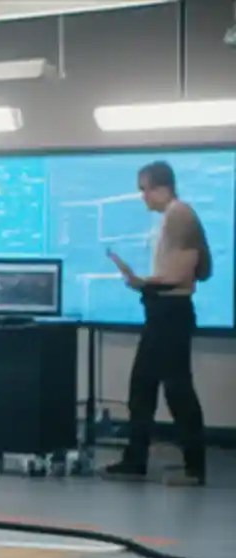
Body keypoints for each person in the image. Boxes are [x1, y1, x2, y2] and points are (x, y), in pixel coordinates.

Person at [101, 161, 211, 486]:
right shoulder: (172, 218)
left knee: (177, 389)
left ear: (162, 187)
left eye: (145, 189)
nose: (143, 197)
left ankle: (194, 468)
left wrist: (142, 282)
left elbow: (184, 274)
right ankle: (136, 460)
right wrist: (143, 283)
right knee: (143, 387)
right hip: (163, 311)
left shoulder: (180, 216)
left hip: (170, 313)